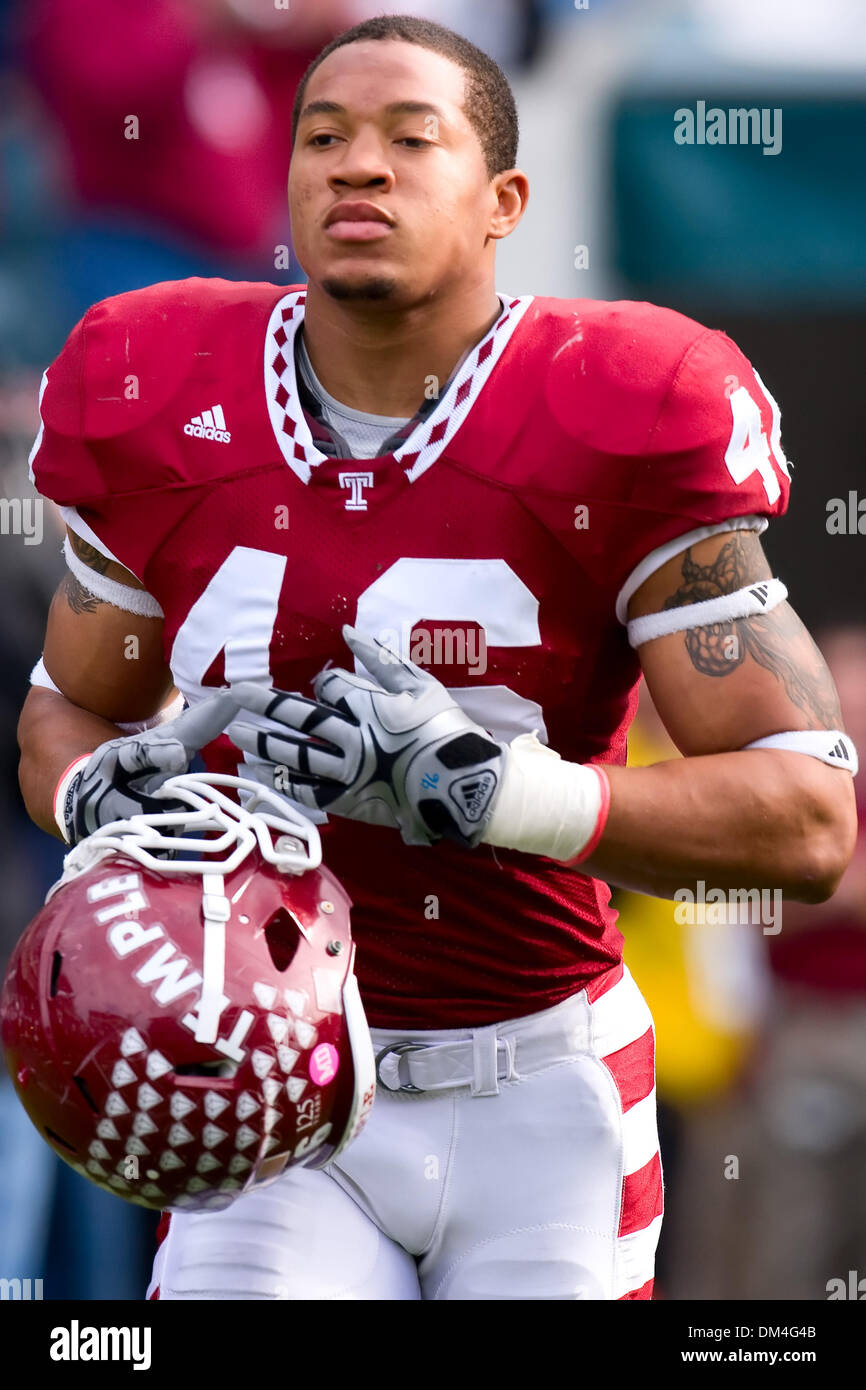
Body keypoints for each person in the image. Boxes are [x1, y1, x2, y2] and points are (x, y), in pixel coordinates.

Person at [17, 15, 857, 1301]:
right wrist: (107, 797)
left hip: (536, 1085)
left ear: (503, 199)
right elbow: (67, 713)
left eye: (411, 138)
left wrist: (490, 790)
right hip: (272, 1093)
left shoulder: (620, 401)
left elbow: (804, 820)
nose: (359, 167)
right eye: (323, 137)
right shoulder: (152, 384)